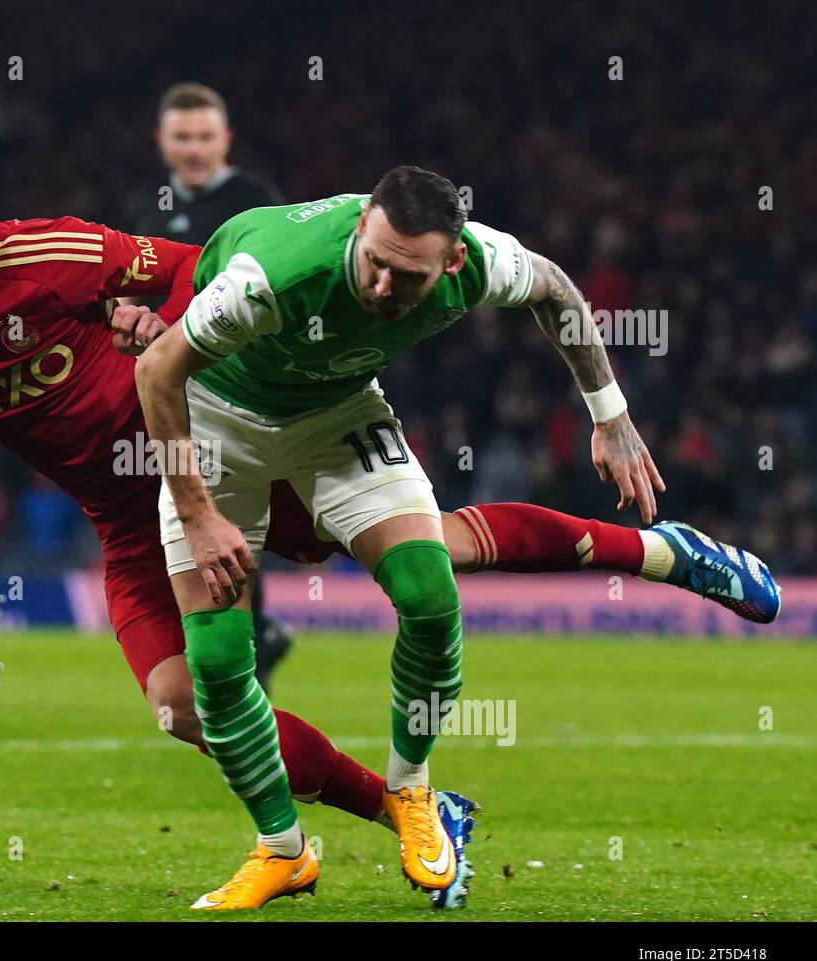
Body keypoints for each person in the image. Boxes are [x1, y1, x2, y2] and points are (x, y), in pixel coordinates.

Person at [133, 168, 780, 909]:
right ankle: (282, 849)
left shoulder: (480, 262)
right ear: (360, 229)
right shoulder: (273, 276)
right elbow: (158, 371)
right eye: (372, 261)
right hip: (219, 421)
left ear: (453, 263)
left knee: (429, 592)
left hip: (337, 414)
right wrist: (197, 513)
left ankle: (412, 792)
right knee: (216, 666)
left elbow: (554, 289)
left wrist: (609, 412)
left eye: (406, 275)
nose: (380, 286)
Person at [125, 81, 292, 692]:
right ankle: (251, 635)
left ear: (226, 139)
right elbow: (129, 283)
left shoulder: (255, 200)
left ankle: (250, 635)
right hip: (173, 384)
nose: (193, 149)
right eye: (182, 137)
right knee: (198, 506)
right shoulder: (147, 203)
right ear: (162, 141)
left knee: (237, 508)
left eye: (204, 137)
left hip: (245, 380)